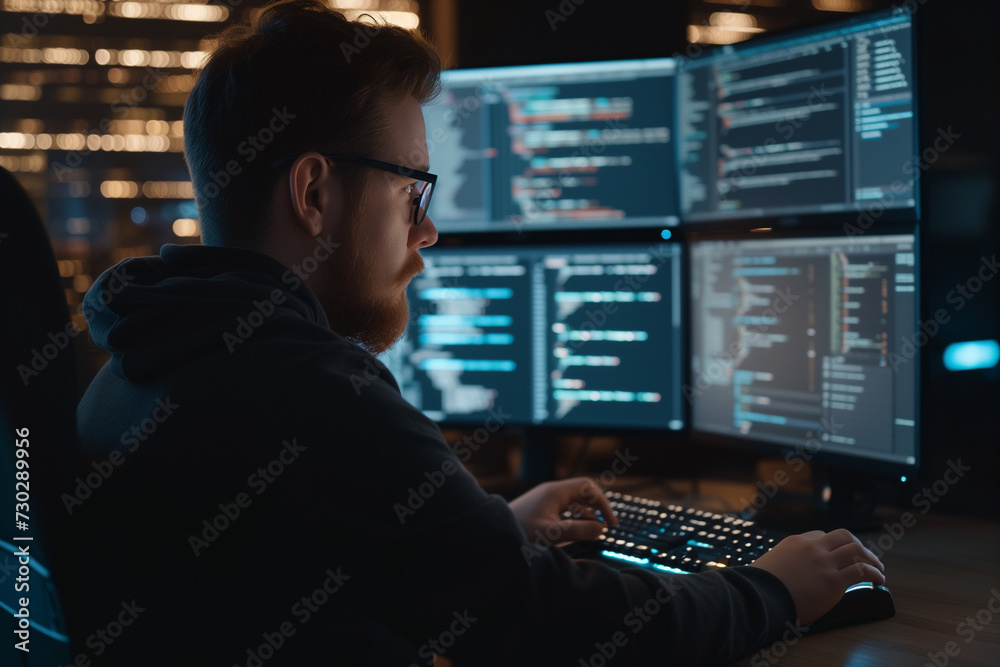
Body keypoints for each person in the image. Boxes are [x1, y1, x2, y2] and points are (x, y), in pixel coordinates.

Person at [66, 1, 885, 664]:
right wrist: (772, 589)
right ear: (314, 192)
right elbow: (557, 627)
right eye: (411, 192)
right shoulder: (306, 387)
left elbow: (326, 546)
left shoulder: (142, 356)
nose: (428, 233)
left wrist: (486, 527)